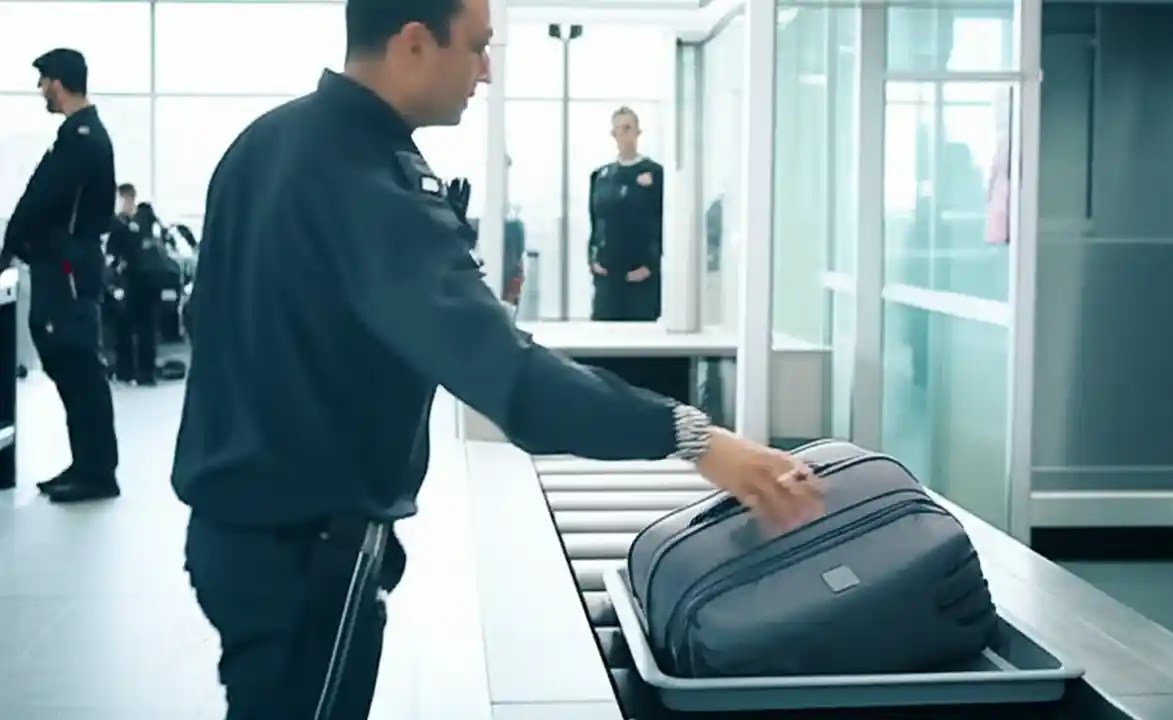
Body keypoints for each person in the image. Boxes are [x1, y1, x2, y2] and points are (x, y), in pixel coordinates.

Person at [171, 1, 823, 718]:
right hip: (305, 551)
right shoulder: (371, 182)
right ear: (415, 43)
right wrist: (694, 437)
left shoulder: (264, 144)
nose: (485, 70)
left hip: (232, 529)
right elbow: (513, 382)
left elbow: (205, 317)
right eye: (477, 46)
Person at [1, 48, 120, 503]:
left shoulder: (83, 138)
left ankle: (98, 473)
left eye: (43, 81)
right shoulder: (76, 135)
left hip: (68, 267)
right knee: (68, 363)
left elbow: (44, 200)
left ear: (59, 81)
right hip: (61, 263)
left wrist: (15, 244)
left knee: (77, 362)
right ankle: (86, 464)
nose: (40, 91)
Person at [588, 106, 664, 322]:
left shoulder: (655, 174)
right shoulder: (602, 176)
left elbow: (660, 222)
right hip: (606, 272)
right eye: (619, 130)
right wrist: (592, 259)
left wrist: (651, 263)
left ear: (638, 132)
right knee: (604, 326)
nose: (624, 135)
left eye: (628, 128)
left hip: (640, 272)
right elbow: (595, 219)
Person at [106, 201, 166, 385]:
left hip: (132, 284)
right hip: (152, 285)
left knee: (125, 328)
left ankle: (125, 371)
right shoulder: (153, 234)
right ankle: (146, 373)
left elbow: (113, 260)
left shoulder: (124, 231)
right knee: (148, 330)